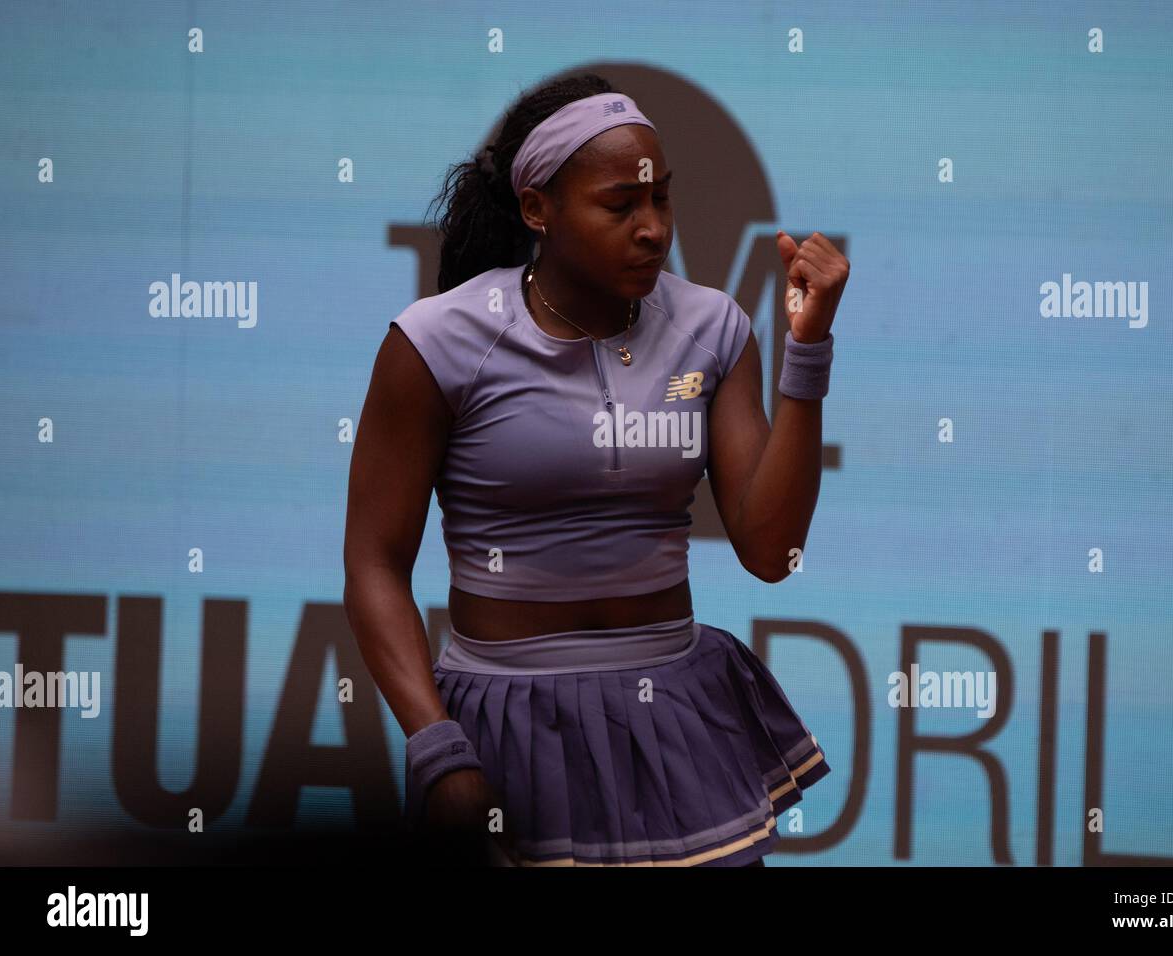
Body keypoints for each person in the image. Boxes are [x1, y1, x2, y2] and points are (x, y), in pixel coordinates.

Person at [343, 73, 849, 867]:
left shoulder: (712, 328)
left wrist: (807, 354)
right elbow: (373, 563)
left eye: (663, 202)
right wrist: (436, 744)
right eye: (621, 207)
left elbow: (769, 551)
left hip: (678, 712)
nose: (653, 230)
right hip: (501, 723)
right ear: (537, 209)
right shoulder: (435, 342)